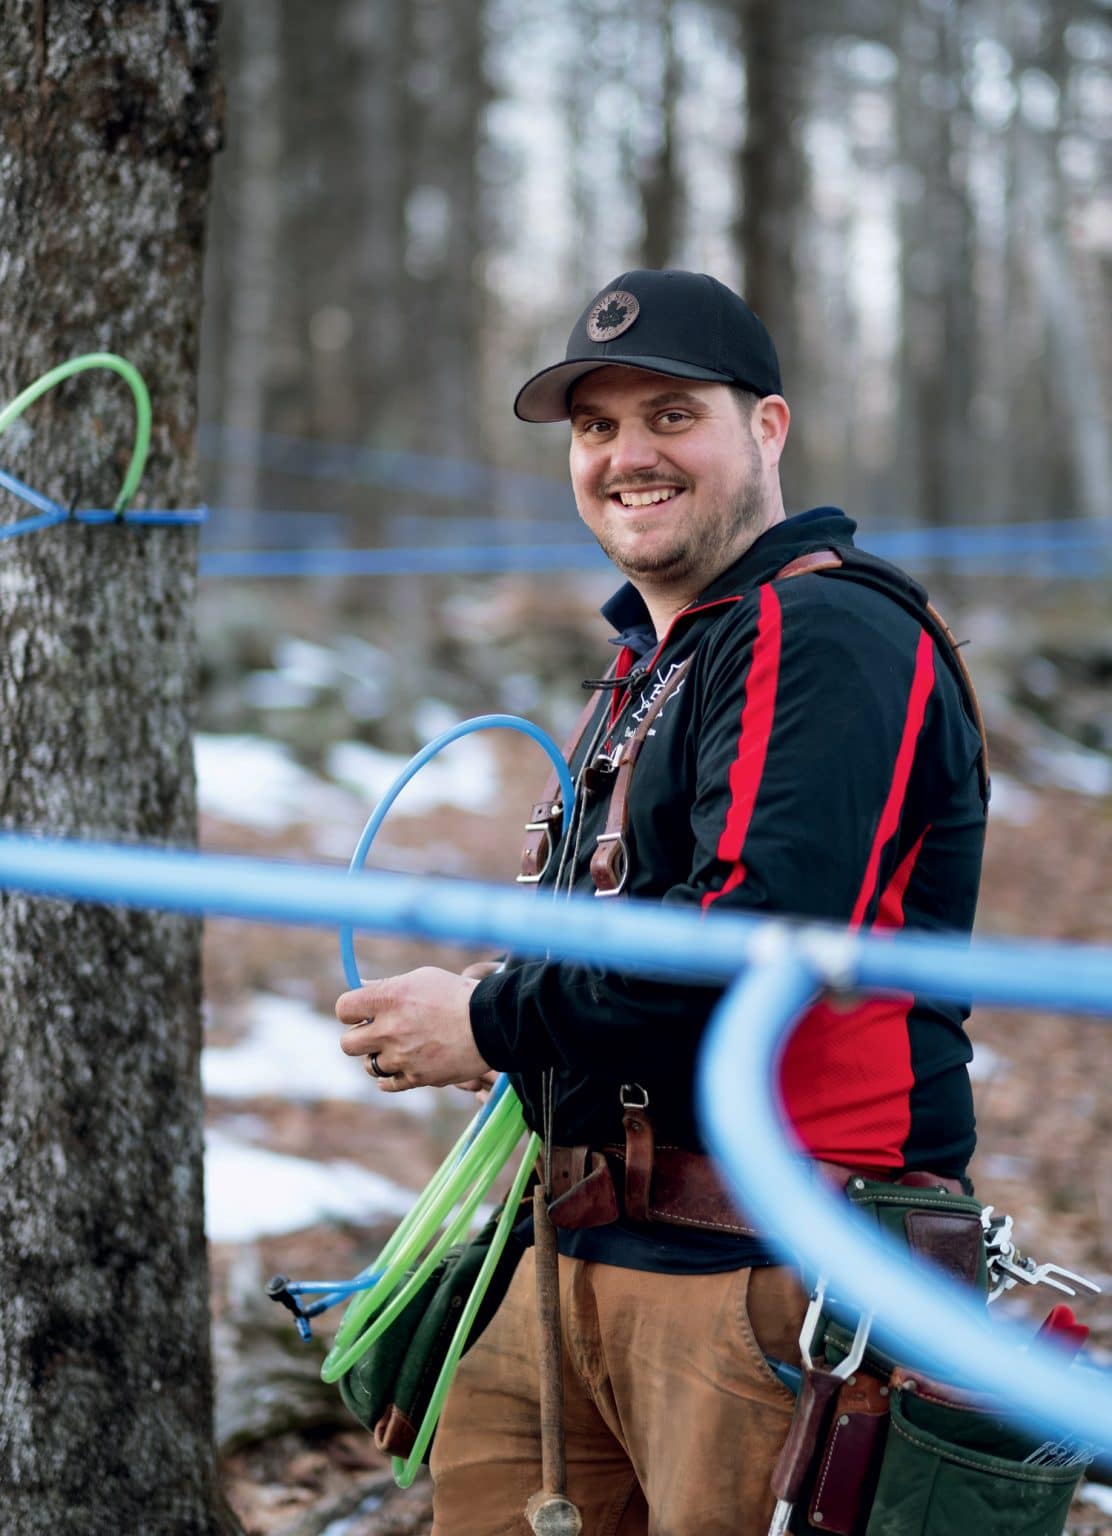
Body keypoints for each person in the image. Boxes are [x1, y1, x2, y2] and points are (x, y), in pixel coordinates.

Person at [335, 268, 988, 1534]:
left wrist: (489, 1022)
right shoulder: (656, 658)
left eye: (670, 414)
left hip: (771, 1270)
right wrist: (519, 1032)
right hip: (573, 1255)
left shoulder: (823, 632)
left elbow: (742, 942)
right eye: (594, 428)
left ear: (766, 428)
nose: (626, 455)